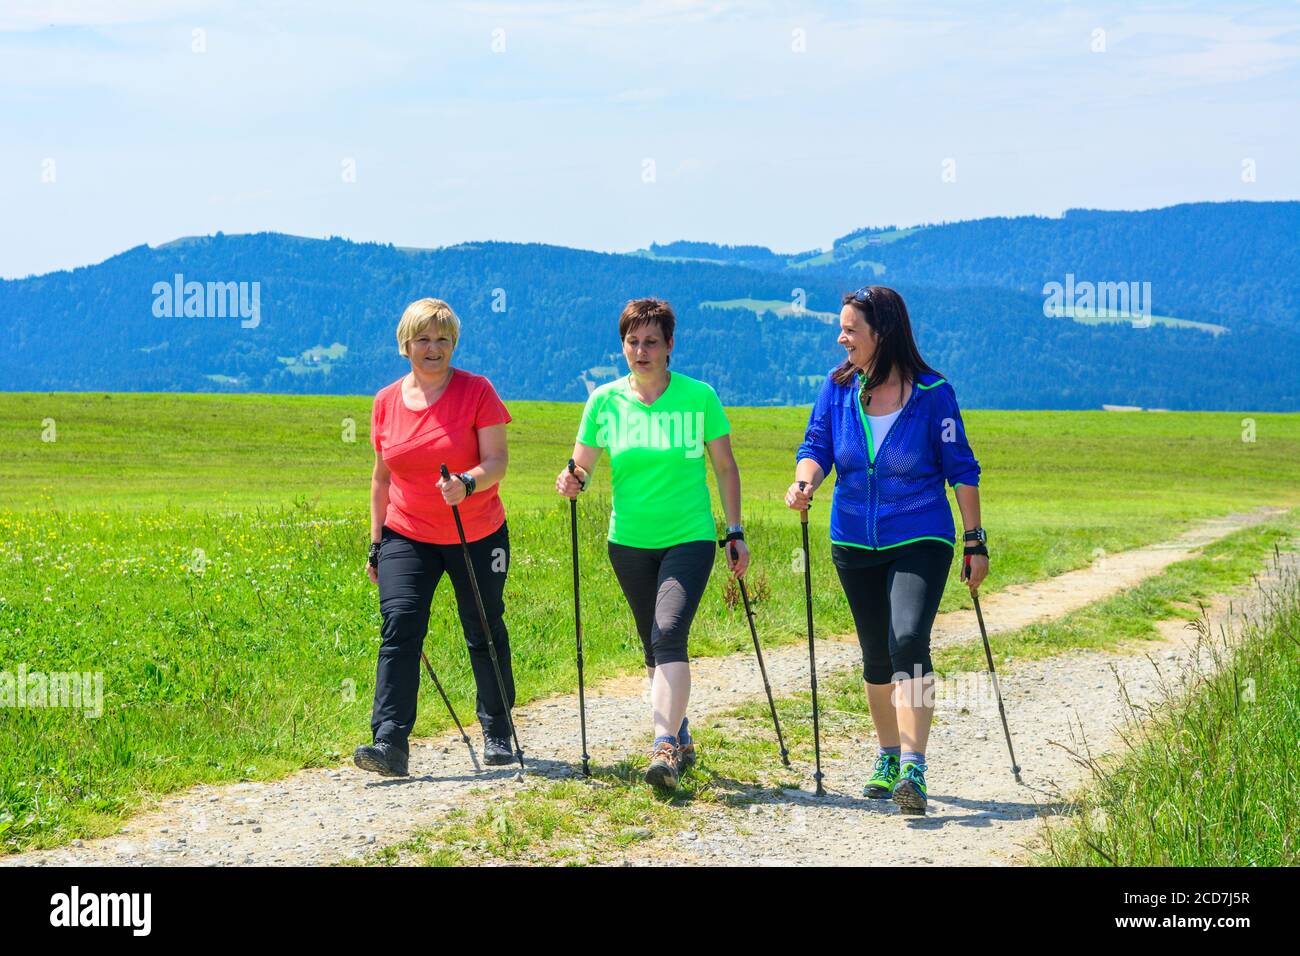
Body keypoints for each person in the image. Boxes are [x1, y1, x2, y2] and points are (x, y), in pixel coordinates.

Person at [786, 285, 988, 814]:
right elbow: (816, 446)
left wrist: (974, 540)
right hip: (853, 537)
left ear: (882, 333)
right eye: (842, 327)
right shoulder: (837, 388)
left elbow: (961, 468)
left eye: (851, 328)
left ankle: (914, 768)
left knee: (907, 639)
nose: (841, 337)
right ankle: (888, 754)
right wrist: (805, 481)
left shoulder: (933, 393)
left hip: (920, 535)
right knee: (876, 655)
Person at [556, 298, 748, 791]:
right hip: (629, 541)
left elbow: (725, 467)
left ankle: (662, 744)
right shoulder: (604, 401)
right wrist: (572, 479)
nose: (641, 351)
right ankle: (681, 735)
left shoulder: (698, 396)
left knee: (668, 631)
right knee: (653, 645)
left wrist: (735, 529)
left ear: (669, 346)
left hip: (690, 536)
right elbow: (582, 465)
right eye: (633, 342)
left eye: (651, 342)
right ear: (623, 345)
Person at [354, 297, 517, 776]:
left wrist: (466, 483)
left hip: (477, 529)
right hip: (407, 532)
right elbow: (381, 478)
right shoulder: (385, 401)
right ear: (406, 344)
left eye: (443, 339)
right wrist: (377, 542)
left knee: (483, 626)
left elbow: (497, 462)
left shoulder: (477, 391)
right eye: (424, 338)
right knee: (400, 624)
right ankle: (389, 743)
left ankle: (498, 730)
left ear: (454, 344)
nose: (433, 347)